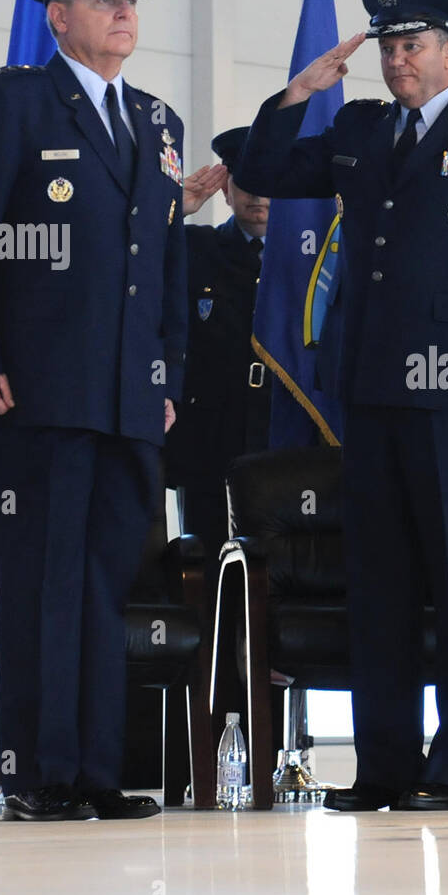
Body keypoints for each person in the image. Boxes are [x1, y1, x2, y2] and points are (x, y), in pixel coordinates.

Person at [234, 0, 448, 810]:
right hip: (371, 387)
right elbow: (262, 165)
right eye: (387, 45)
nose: (397, 58)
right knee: (376, 583)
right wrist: (299, 90)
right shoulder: (358, 127)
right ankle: (382, 765)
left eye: (413, 44)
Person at [0, 0, 188, 822]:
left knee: (105, 582)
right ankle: (36, 773)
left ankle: (91, 770)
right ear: (58, 15)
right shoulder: (11, 103)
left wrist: (167, 377)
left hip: (126, 393)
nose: (124, 12)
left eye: (131, 1)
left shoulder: (157, 120)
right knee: (45, 578)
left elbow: (164, 259)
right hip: (34, 386)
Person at [166, 127, 271, 571]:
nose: (259, 197)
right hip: (209, 437)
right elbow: (126, 257)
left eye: (272, 185)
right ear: (226, 190)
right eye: (246, 183)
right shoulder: (195, 248)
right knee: (206, 563)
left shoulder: (315, 263)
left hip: (282, 433)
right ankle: (213, 642)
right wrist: (173, 211)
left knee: (283, 564)